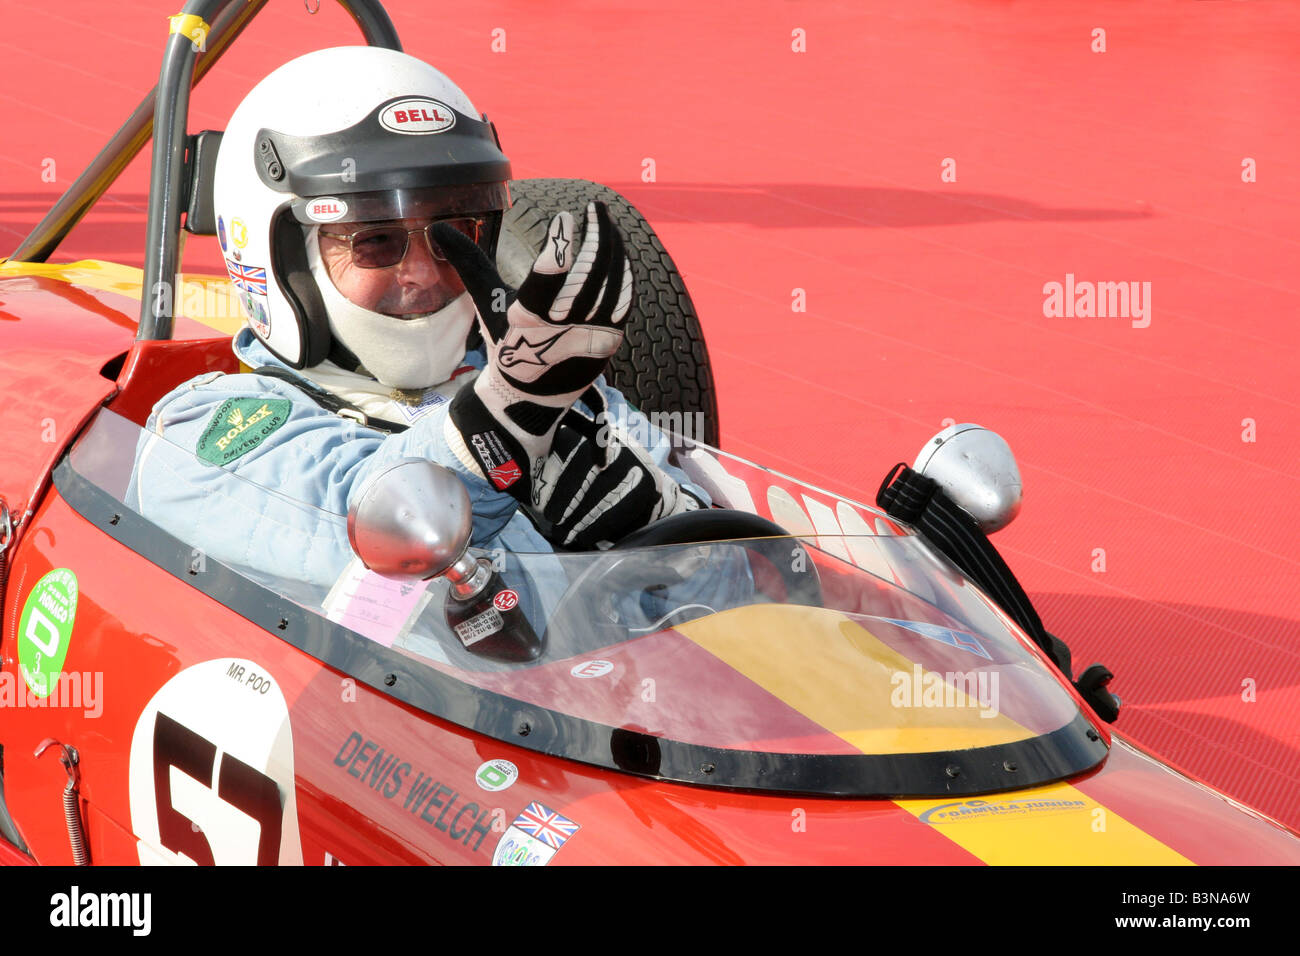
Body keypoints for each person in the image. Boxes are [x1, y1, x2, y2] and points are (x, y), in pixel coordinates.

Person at [128, 46, 709, 619]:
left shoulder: (551, 382)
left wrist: (664, 524)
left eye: (452, 232)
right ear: (281, 260)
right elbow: (376, 517)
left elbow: (728, 571)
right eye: (374, 241)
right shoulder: (204, 433)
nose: (424, 274)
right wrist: (505, 422)